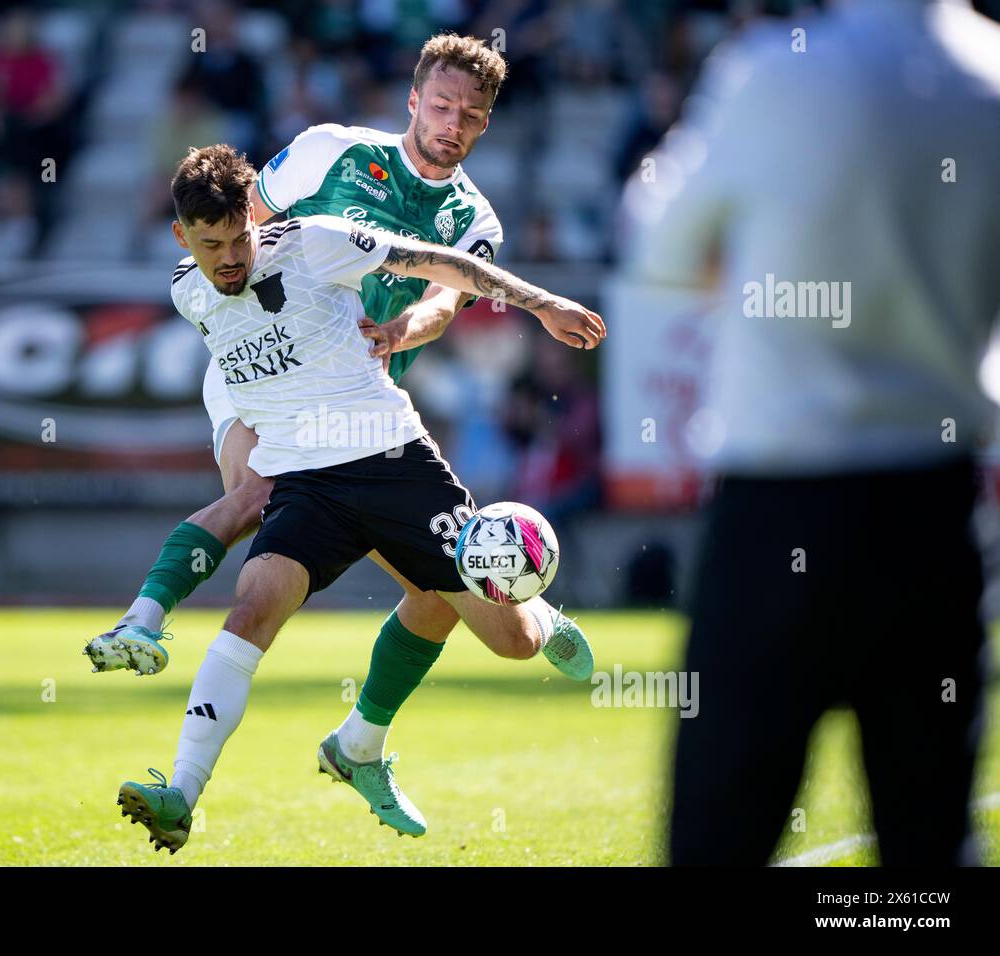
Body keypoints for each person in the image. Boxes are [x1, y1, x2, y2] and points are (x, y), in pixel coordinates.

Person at [87, 36, 596, 832]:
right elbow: (240, 222)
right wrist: (236, 284)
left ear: (486, 124)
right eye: (441, 104)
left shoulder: (473, 219)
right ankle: (177, 769)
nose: (452, 122)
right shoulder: (327, 156)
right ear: (412, 99)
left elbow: (445, 295)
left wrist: (406, 329)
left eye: (471, 114)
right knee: (255, 539)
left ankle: (391, 714)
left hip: (368, 416)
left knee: (460, 614)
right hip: (269, 392)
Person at [619, 0, 1000, 865]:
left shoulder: (777, 71)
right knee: (931, 847)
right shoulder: (991, 76)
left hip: (778, 510)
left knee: (719, 835)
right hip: (934, 509)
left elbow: (658, 245)